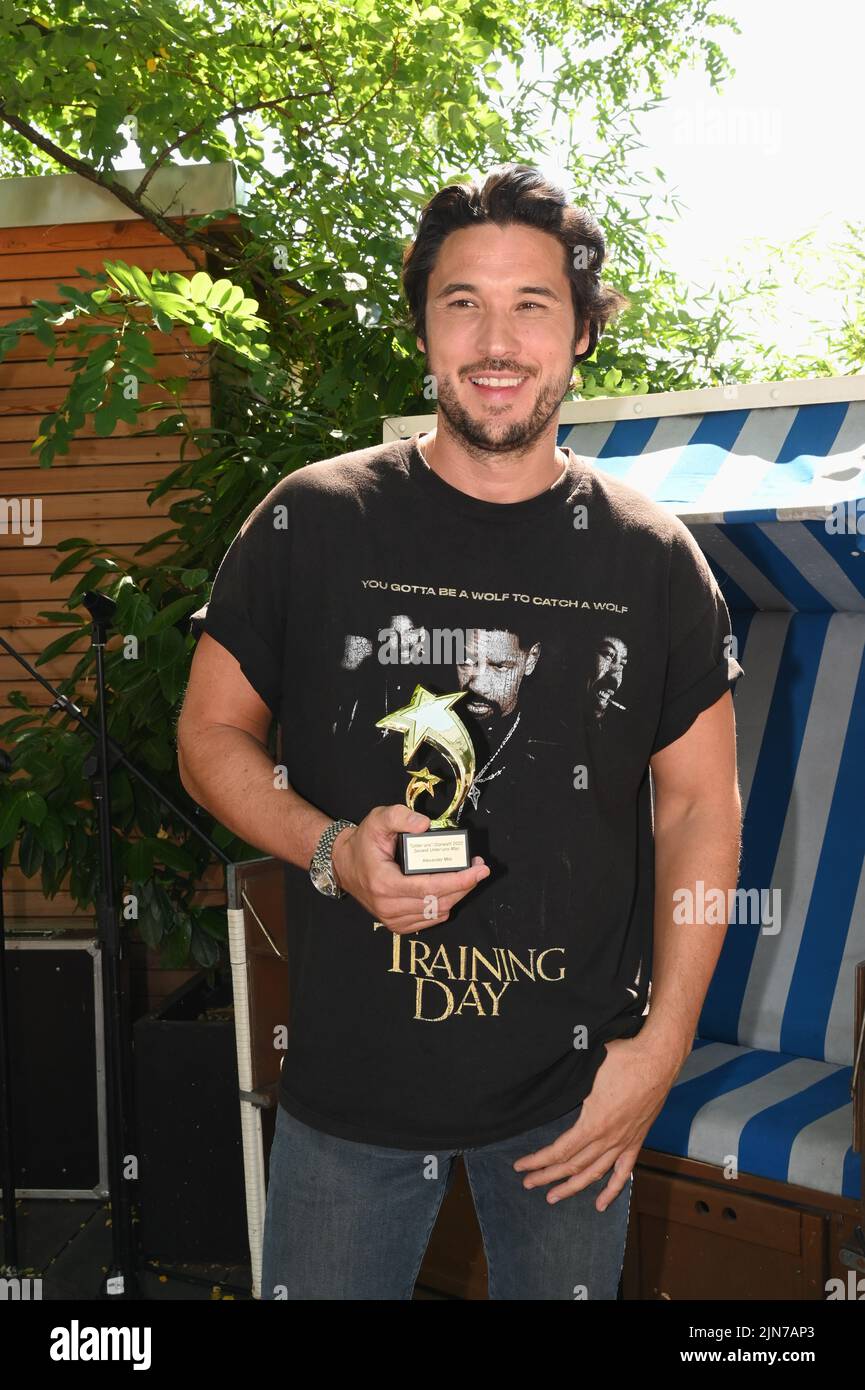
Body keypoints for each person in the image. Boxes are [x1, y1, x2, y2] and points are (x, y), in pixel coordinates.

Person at [178, 163, 744, 1301]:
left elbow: (699, 806)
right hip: (350, 1099)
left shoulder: (649, 555)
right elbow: (210, 732)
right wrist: (331, 846)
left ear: (580, 332)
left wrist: (661, 1048)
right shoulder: (312, 519)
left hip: (574, 1101)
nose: (497, 338)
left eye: (532, 303)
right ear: (424, 328)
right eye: (462, 302)